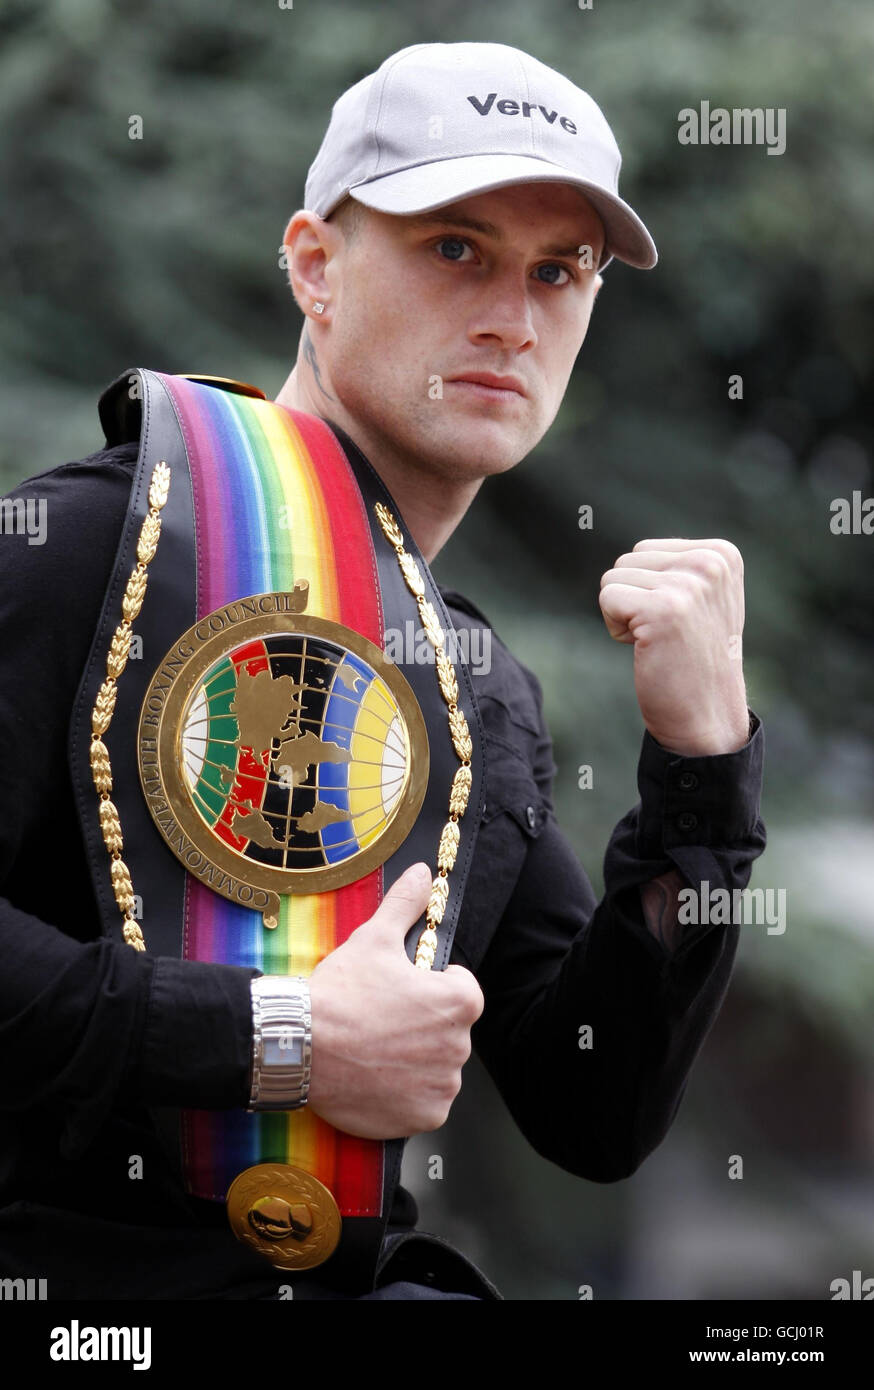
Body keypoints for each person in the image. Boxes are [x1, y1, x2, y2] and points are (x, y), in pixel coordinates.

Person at [0, 42, 765, 1301]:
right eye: (454, 249)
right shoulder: (88, 545)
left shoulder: (470, 684)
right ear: (313, 265)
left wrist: (702, 772)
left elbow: (594, 1103)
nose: (512, 320)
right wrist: (278, 1039)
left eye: (558, 273)